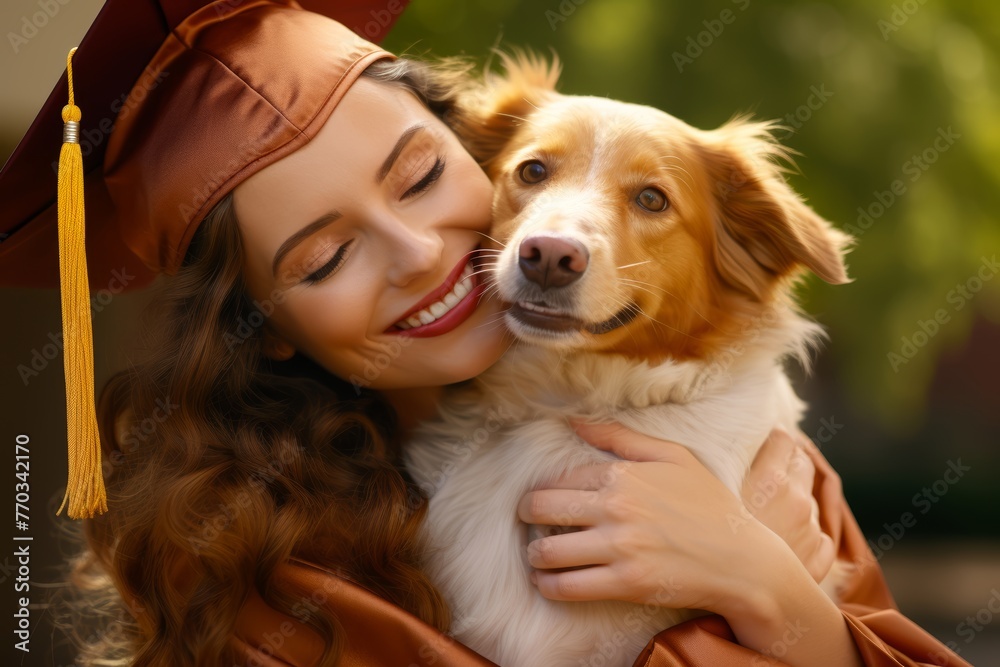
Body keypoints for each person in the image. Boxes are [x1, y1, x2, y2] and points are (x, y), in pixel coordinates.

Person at [0, 1, 970, 666]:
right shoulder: (268, 578)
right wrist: (772, 608)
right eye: (321, 258)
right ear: (268, 327)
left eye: (421, 176)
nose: (421, 253)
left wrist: (777, 588)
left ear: (473, 152)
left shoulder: (770, 457)